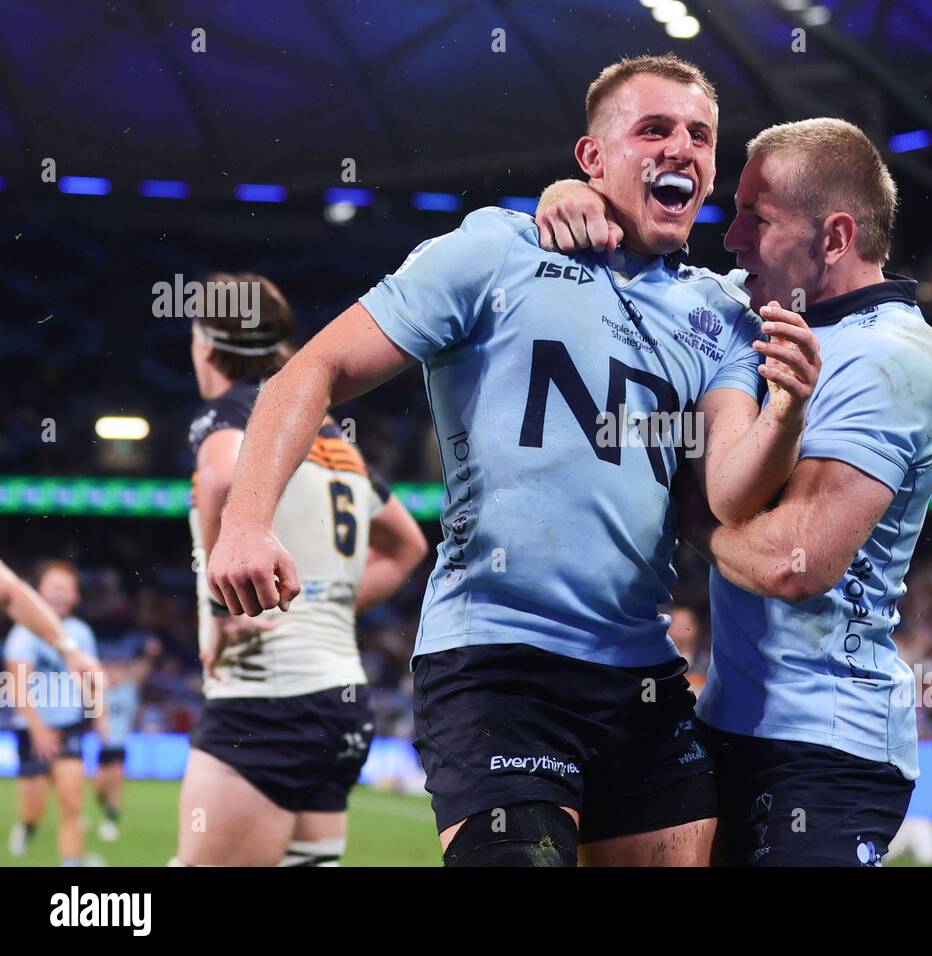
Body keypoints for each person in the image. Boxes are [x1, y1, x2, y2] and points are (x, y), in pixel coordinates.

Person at [205, 54, 823, 867]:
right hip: (496, 662)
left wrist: (789, 408)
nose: (682, 147)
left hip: (640, 676)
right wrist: (246, 522)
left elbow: (732, 490)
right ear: (591, 159)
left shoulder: (720, 318)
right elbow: (309, 370)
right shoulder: (496, 248)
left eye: (701, 136)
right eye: (654, 129)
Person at [536, 117, 932, 866]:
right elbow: (645, 282)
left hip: (827, 748)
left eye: (754, 218)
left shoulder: (894, 360)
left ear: (833, 238)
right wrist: (582, 197)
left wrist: (693, 516)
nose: (727, 238)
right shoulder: (753, 309)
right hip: (727, 726)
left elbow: (796, 560)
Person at [176, 273, 428, 867]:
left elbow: (217, 477)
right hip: (339, 703)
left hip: (267, 695)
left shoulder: (231, 413)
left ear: (207, 345)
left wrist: (220, 609)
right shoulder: (329, 433)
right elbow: (408, 546)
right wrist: (322, 604)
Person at [3, 560, 103, 864]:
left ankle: (72, 863)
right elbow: (16, 686)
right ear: (39, 592)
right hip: (33, 730)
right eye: (54, 586)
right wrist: (38, 729)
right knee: (34, 806)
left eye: (67, 588)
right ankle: (28, 825)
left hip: (68, 725)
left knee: (72, 803)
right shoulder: (22, 633)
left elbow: (91, 681)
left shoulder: (81, 634)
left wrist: (98, 718)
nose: (61, 593)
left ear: (76, 596)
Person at [93, 636, 162, 842]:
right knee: (99, 788)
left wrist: (150, 654)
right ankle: (108, 812)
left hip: (120, 745)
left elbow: (141, 670)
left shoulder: (129, 689)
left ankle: (111, 820)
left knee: (115, 782)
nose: (114, 674)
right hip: (103, 746)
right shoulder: (100, 692)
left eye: (118, 670)